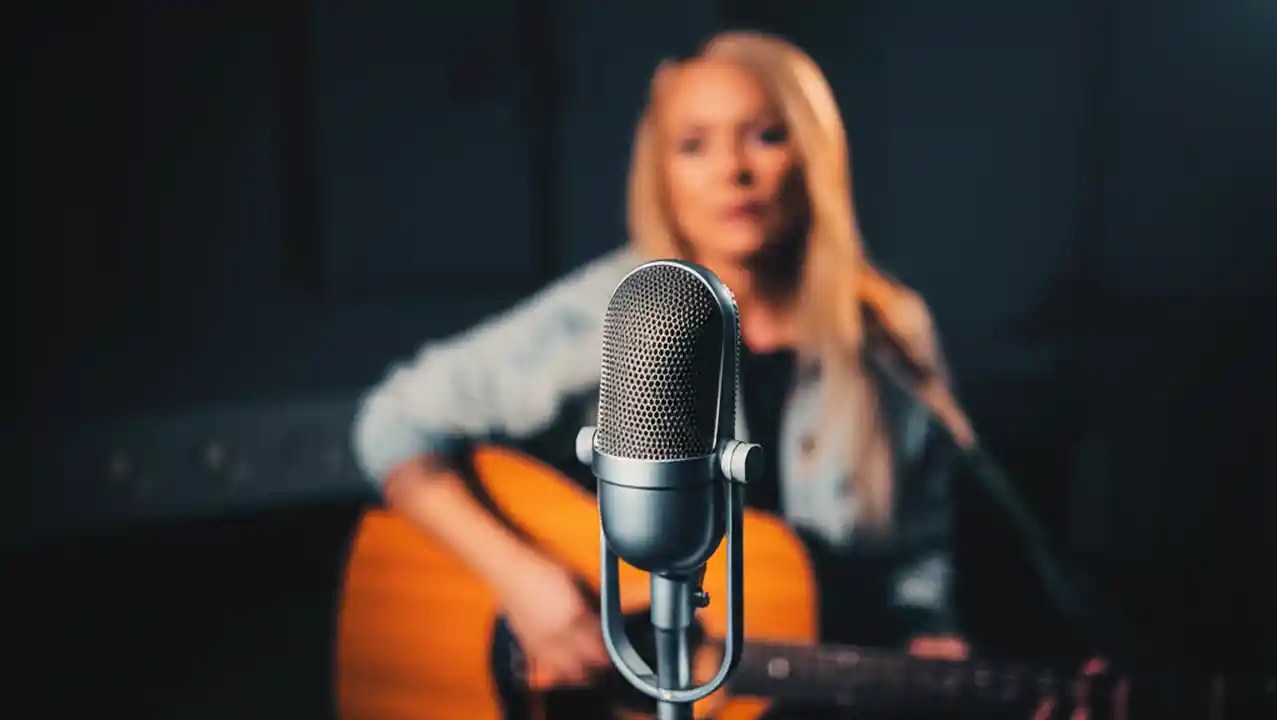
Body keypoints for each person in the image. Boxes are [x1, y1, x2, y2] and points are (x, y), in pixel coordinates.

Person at [352, 30, 1016, 717]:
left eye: (763, 135)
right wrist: (524, 582)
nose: (733, 170)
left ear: (813, 153)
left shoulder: (890, 338)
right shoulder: (625, 308)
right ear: (662, 175)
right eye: (694, 144)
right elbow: (393, 422)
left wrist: (932, 640)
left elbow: (919, 559)